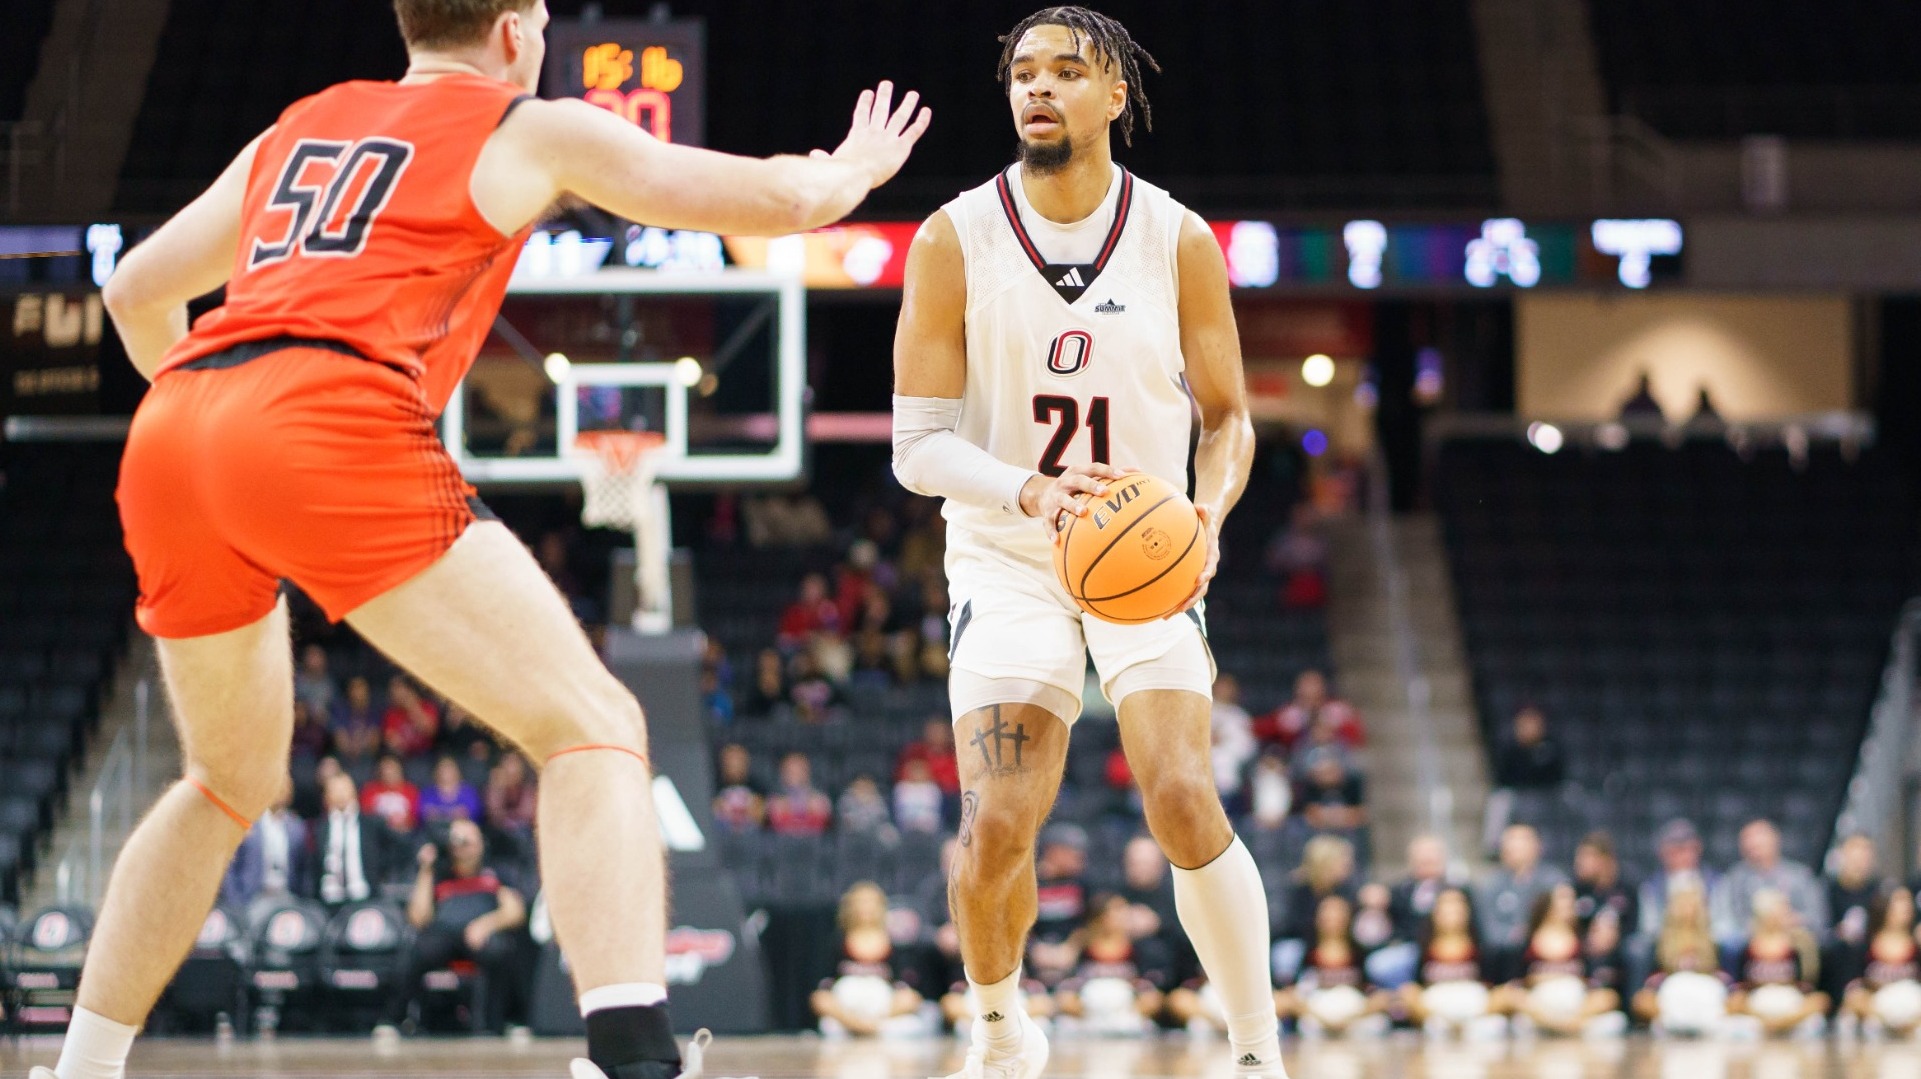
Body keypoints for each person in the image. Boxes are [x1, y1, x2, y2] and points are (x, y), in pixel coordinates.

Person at [62, 0, 929, 1074]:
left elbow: (133, 285)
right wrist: (847, 171)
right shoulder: (524, 124)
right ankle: (634, 1056)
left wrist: (223, 434)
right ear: (520, 31)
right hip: (322, 417)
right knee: (593, 725)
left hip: (178, 424)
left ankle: (80, 1067)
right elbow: (771, 197)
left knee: (221, 780)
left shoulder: (304, 119)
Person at [891, 7, 1277, 1074]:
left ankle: (1255, 1048)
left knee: (1182, 792)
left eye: (1067, 71)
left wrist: (1207, 512)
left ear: (1117, 97)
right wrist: (1033, 493)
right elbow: (916, 446)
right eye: (1023, 72)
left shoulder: (1177, 237)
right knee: (999, 822)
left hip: (1146, 542)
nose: (1039, 89)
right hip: (1010, 551)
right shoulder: (951, 237)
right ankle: (1003, 1028)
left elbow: (1228, 416)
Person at [377, 819, 531, 1038]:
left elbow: (515, 911)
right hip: (443, 934)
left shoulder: (495, 872)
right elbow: (418, 918)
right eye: (457, 841)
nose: (463, 848)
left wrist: (485, 925)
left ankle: (505, 1022)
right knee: (415, 952)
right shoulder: (440, 873)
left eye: (468, 841)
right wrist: (425, 870)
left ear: (480, 844)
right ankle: (394, 1019)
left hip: (480, 933)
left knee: (502, 951)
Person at [1490, 883, 1625, 1038]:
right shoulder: (1525, 944)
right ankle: (1558, 1025)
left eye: (1571, 899)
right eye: (1563, 899)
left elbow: (1595, 984)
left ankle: (1566, 1024)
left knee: (1609, 999)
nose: (1568, 904)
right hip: (1538, 1008)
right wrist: (1538, 980)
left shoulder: (1583, 944)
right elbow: (1511, 986)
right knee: (1508, 998)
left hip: (1576, 1006)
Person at [810, 881, 928, 1037]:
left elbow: (906, 991)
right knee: (822, 1006)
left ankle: (871, 1028)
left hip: (883, 1014)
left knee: (911, 1003)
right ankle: (858, 1027)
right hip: (847, 1014)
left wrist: (877, 1019)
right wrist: (854, 1022)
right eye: (860, 902)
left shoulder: (894, 946)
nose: (866, 908)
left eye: (871, 902)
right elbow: (823, 992)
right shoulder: (837, 944)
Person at [1274, 894, 1390, 1038]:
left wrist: (1352, 1016)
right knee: (1307, 1025)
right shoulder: (1308, 955)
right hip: (1318, 1018)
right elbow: (1294, 993)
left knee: (1377, 1024)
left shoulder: (1359, 954)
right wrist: (1322, 1018)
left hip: (1353, 1017)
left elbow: (1376, 994)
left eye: (1338, 914)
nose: (1333, 919)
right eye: (1327, 914)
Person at [1711, 819, 1828, 953]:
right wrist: (1762, 927)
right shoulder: (1735, 878)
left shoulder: (1800, 876)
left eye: (1758, 840)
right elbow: (1730, 920)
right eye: (1748, 840)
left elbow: (1818, 919)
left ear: (1775, 840)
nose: (1752, 845)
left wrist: (1790, 921)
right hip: (1749, 946)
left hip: (1794, 942)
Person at [1725, 889, 1829, 1039]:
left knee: (1820, 1001)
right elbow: (1740, 986)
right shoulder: (1747, 947)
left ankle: (1781, 1023)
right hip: (1758, 1002)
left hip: (1790, 1002)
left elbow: (1807, 983)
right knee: (1734, 1001)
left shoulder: (1799, 945)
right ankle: (1772, 1023)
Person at [1632, 880, 1729, 1036]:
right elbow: (1654, 977)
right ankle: (1675, 1023)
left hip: (1703, 989)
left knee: (1733, 999)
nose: (1687, 909)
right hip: (1672, 989)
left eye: (1692, 904)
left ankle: (1699, 1023)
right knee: (1642, 1000)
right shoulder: (1660, 940)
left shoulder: (1713, 938)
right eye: (1682, 904)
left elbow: (1719, 973)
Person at [1475, 825, 1567, 975]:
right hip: (1503, 961)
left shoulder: (1553, 881)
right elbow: (1489, 932)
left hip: (1545, 957)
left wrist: (1534, 937)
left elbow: (1563, 923)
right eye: (1510, 844)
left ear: (1537, 847)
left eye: (1522, 843)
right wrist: (1521, 936)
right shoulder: (1489, 885)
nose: (1515, 849)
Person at [219, 778, 309, 919]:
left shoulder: (296, 826)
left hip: (287, 897)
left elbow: (302, 867)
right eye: (277, 787)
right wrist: (235, 900)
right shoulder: (246, 822)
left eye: (285, 788)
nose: (281, 792)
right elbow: (230, 864)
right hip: (253, 898)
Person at [1839, 887, 1921, 1040]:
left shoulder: (1917, 945)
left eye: (1907, 902)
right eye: (1899, 902)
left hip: (1913, 1013)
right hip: (1878, 1014)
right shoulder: (1864, 946)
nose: (1905, 907)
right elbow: (1853, 992)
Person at [310, 772, 398, 911]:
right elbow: (313, 865)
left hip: (365, 898)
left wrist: (381, 875)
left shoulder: (371, 823)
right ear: (326, 797)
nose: (340, 794)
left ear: (354, 792)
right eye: (334, 790)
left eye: (344, 789)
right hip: (328, 901)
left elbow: (396, 848)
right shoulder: (320, 828)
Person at [1255, 670, 1363, 753]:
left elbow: (1356, 736)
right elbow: (1262, 729)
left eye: (1314, 685)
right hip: (1298, 757)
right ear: (1298, 691)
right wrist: (1287, 731)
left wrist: (1333, 730)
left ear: (1323, 689)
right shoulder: (1289, 713)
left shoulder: (1337, 709)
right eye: (1306, 686)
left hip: (1335, 756)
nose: (1310, 691)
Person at [1572, 831, 1638, 934]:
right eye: (1579, 856)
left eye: (1587, 856)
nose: (1579, 862)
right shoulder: (1575, 892)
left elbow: (1637, 929)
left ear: (1605, 859)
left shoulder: (1628, 890)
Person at [765, 753, 832, 837]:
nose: (795, 774)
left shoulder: (819, 798)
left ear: (807, 772)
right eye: (790, 771)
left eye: (799, 770)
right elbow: (773, 822)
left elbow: (824, 822)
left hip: (813, 843)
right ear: (782, 773)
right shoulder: (775, 800)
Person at [711, 743, 766, 835]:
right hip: (719, 837)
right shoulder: (712, 786)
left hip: (751, 839)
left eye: (738, 760)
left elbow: (761, 815)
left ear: (746, 762)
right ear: (723, 763)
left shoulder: (758, 786)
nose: (735, 764)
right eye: (731, 760)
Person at [381, 675, 440, 758]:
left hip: (428, 756)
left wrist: (412, 707)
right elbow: (392, 741)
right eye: (392, 690)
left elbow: (431, 731)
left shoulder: (428, 707)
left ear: (408, 689)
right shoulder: (391, 714)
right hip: (403, 758)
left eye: (398, 688)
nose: (393, 693)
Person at [361, 753, 421, 834]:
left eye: (392, 768)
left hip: (405, 834)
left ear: (400, 770)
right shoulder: (369, 791)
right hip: (378, 835)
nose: (388, 772)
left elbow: (416, 818)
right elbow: (366, 817)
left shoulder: (411, 791)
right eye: (385, 769)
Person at [417, 755, 484, 826]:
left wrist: (440, 814)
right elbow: (424, 813)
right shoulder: (428, 793)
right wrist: (453, 814)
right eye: (443, 768)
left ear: (457, 771)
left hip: (463, 830)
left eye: (449, 768)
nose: (446, 772)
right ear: (436, 772)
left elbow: (473, 812)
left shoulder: (468, 792)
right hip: (434, 830)